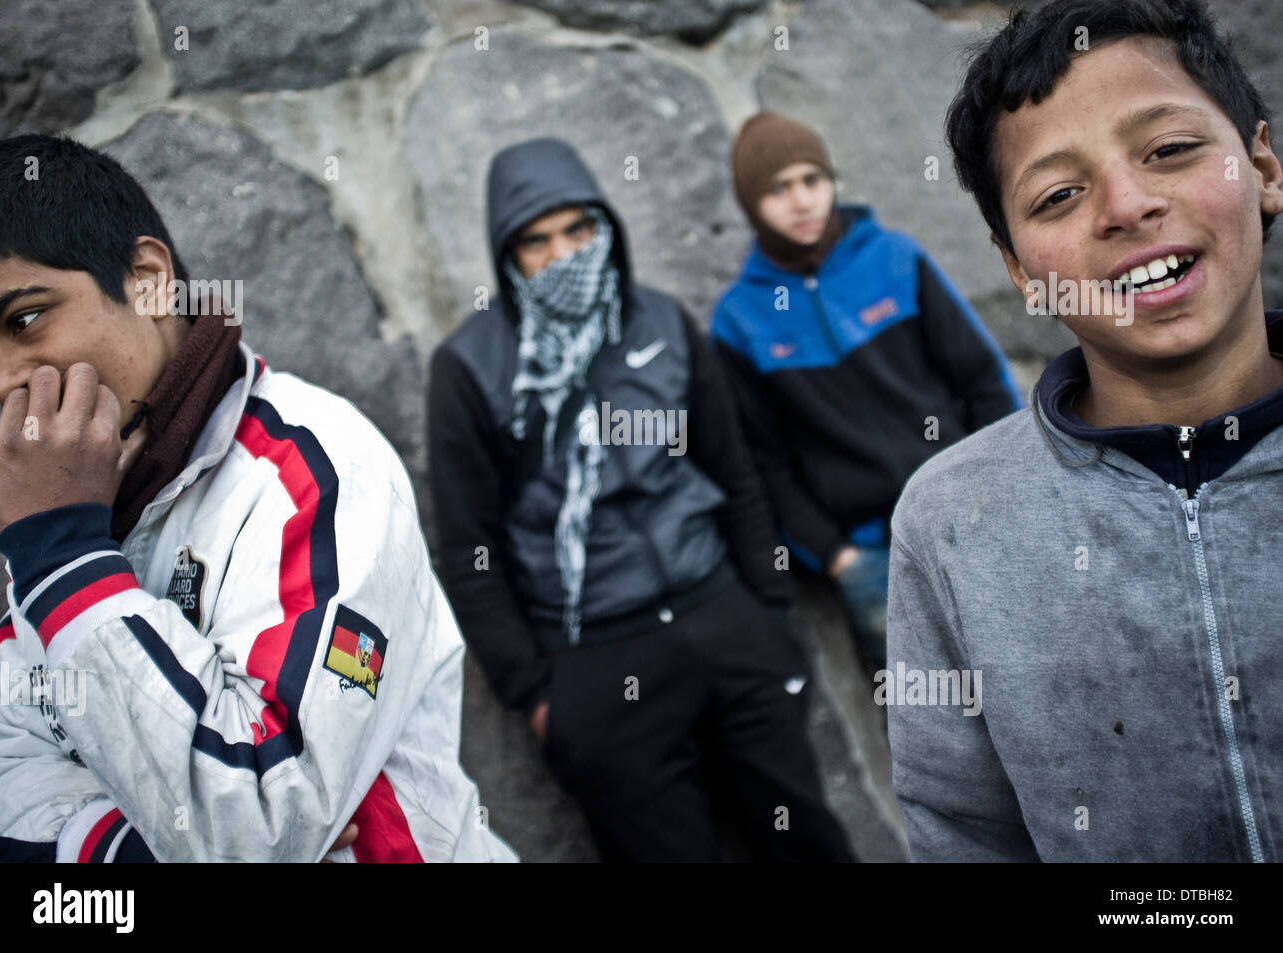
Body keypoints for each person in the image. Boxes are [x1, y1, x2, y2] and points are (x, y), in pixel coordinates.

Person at [0, 134, 515, 863]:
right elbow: (3, 763)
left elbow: (265, 818)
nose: (2, 380)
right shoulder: (59, 517)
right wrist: (124, 854)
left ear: (147, 279)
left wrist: (64, 559)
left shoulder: (316, 466)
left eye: (24, 320)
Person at [887, 0, 1283, 861]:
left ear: (1262, 165)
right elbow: (960, 832)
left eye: (1170, 150)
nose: (1128, 205)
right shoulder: (952, 523)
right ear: (1020, 270)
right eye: (1060, 193)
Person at [427, 136, 854, 862]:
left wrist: (765, 607)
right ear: (507, 253)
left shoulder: (660, 320)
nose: (562, 255)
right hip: (593, 653)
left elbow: (733, 466)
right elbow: (471, 551)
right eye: (537, 241)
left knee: (806, 839)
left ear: (604, 229)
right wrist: (538, 695)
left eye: (577, 230)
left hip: (720, 615)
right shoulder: (469, 367)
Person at [710, 111, 1021, 673]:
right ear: (751, 204)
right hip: (871, 557)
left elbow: (981, 379)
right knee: (933, 728)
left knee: (1035, 677)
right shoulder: (740, 320)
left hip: (968, 514)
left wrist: (1002, 490)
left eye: (812, 180)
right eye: (779, 189)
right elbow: (763, 462)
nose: (802, 201)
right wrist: (833, 554)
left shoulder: (894, 259)